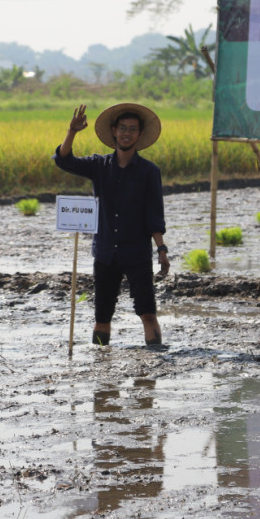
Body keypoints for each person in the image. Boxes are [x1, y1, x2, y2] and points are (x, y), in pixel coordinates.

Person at [54, 103, 170, 348]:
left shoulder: (149, 171)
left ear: (139, 135)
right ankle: (99, 360)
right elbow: (64, 161)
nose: (127, 133)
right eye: (123, 128)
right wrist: (72, 131)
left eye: (133, 129)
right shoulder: (99, 166)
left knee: (147, 312)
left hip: (137, 252)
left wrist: (161, 249)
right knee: (102, 316)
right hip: (106, 252)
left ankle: (157, 359)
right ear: (114, 131)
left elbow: (154, 215)